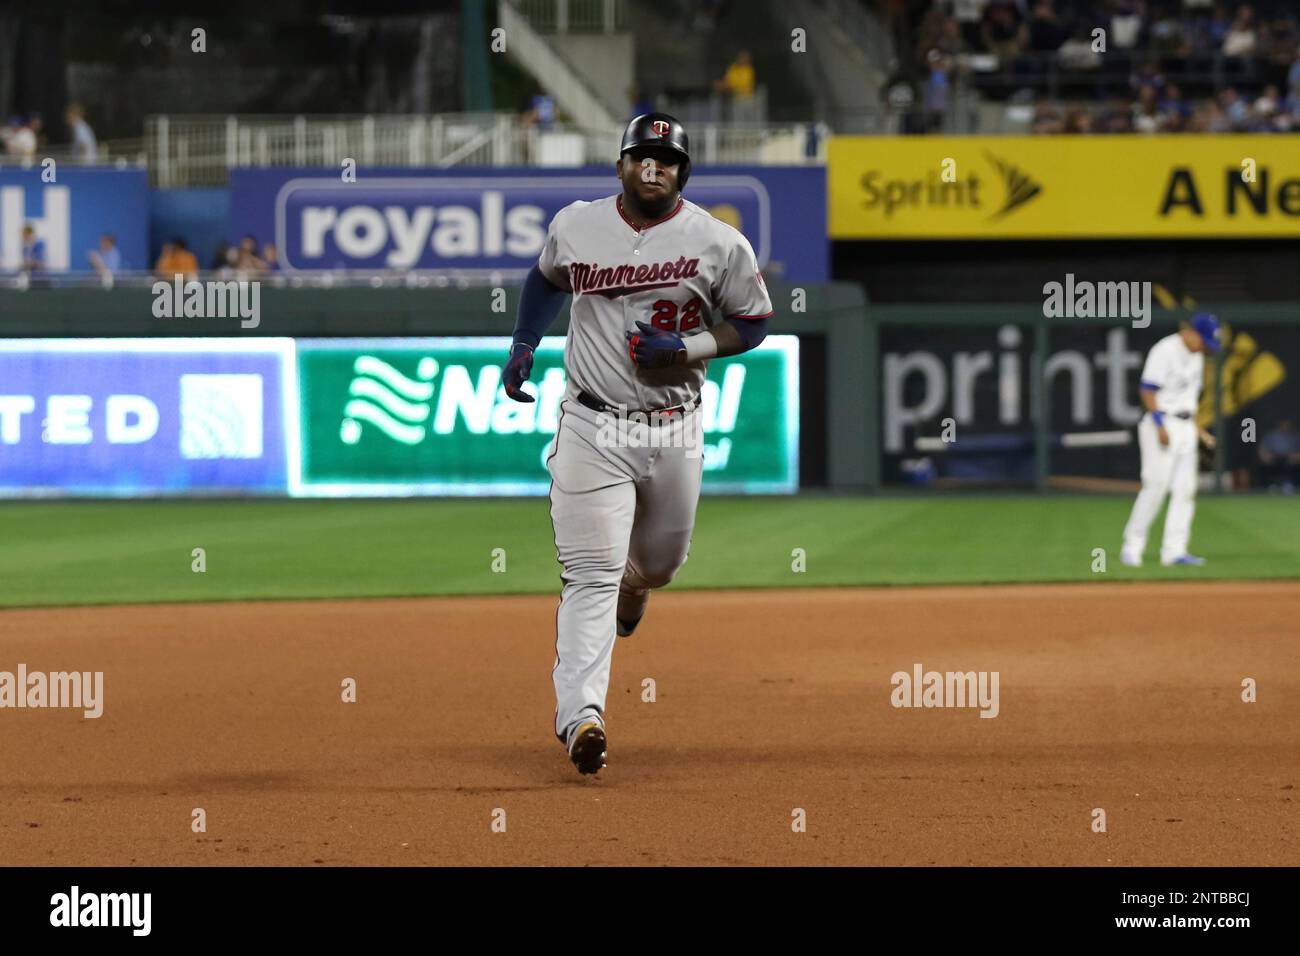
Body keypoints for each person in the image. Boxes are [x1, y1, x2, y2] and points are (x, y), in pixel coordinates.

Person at [500, 112, 773, 776]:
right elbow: (545, 278)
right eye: (641, 156)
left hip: (674, 426)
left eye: (667, 159)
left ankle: (637, 585)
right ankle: (581, 718)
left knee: (662, 561)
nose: (654, 167)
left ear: (683, 171)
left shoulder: (717, 242)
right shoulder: (577, 224)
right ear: (620, 164)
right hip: (591, 424)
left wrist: (688, 346)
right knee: (587, 576)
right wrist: (525, 341)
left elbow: (754, 321)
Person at [1121, 314, 1223, 567]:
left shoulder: (1197, 357)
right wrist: (1158, 425)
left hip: (1186, 425)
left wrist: (1199, 431)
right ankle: (1132, 547)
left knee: (1185, 490)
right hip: (1162, 422)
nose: (1205, 347)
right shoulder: (1165, 350)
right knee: (1155, 486)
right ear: (1191, 332)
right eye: (1204, 340)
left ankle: (1174, 551)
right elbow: (1147, 389)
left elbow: (1189, 400)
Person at [1258, 419, 1300, 491]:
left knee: (1292, 465)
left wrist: (1296, 456)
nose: (1286, 425)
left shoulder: (1295, 436)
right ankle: (1272, 485)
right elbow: (1263, 450)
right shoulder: (1270, 436)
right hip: (1274, 458)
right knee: (1269, 465)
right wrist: (1266, 456)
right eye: (1284, 423)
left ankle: (1289, 484)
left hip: (1289, 458)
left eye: (1287, 424)